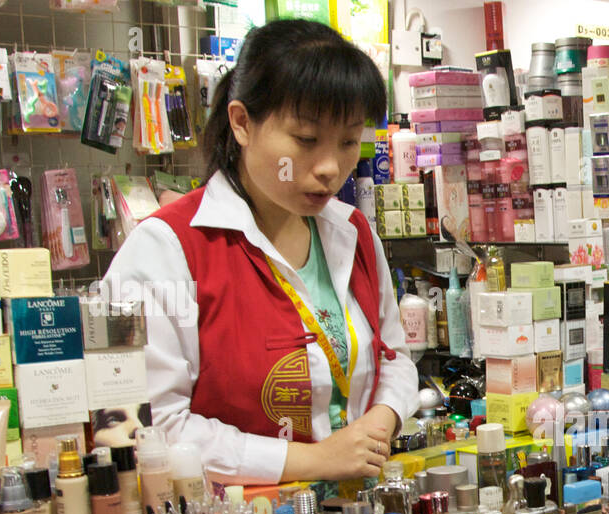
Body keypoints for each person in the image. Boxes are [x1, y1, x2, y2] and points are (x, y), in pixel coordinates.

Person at [100, 19, 419, 488]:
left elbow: (394, 355)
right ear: (242, 122)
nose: (331, 168)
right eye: (306, 140)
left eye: (349, 142)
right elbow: (144, 427)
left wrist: (382, 420)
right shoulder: (167, 249)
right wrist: (312, 461)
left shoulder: (353, 233)